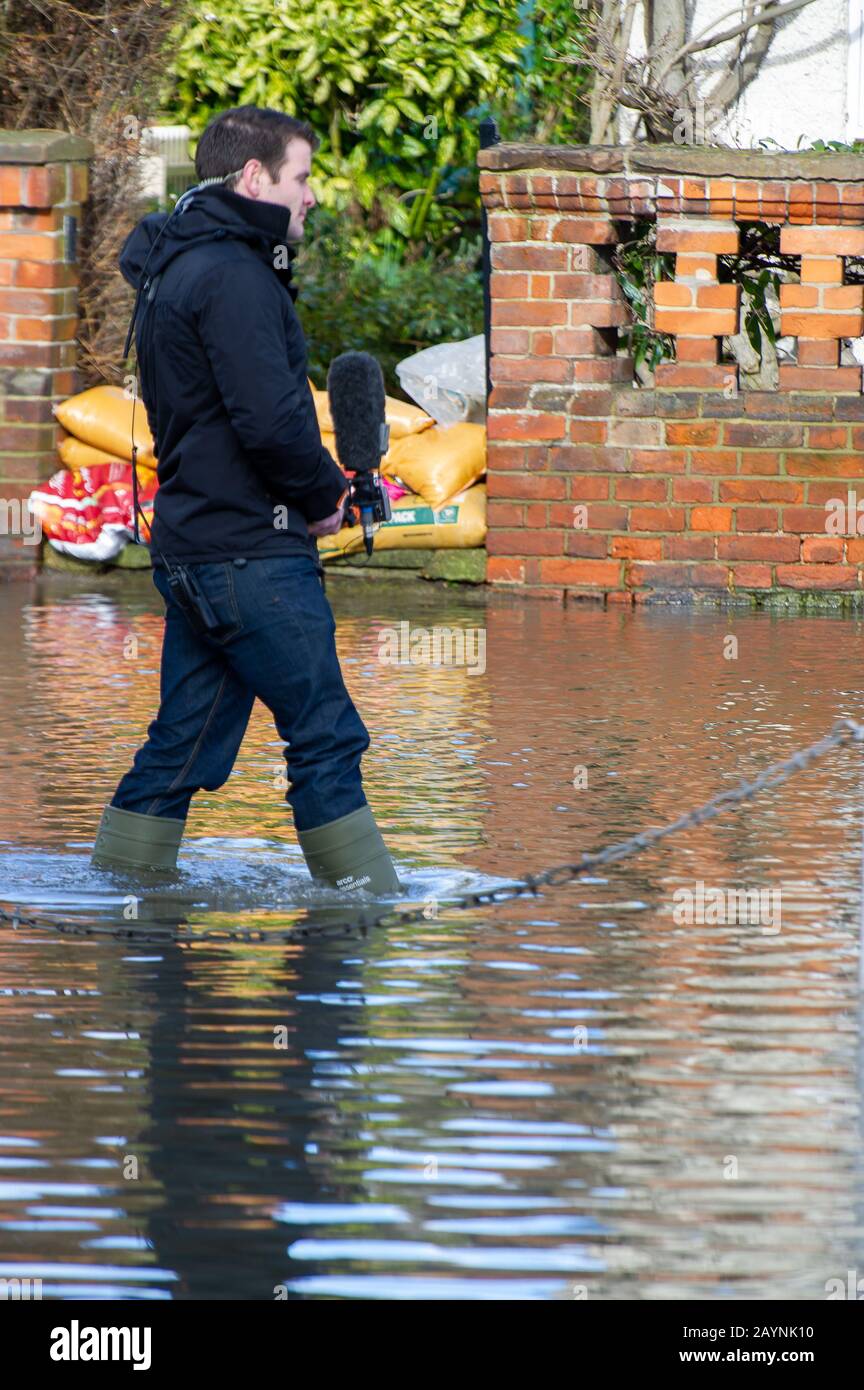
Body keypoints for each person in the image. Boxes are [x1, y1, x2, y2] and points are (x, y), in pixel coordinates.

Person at [90, 105, 400, 896]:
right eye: (301, 177)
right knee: (326, 736)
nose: (313, 196)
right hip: (252, 558)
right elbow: (269, 419)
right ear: (254, 178)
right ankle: (365, 919)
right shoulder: (235, 276)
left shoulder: (177, 267)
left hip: (193, 553)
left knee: (182, 746)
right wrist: (327, 494)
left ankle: (121, 908)